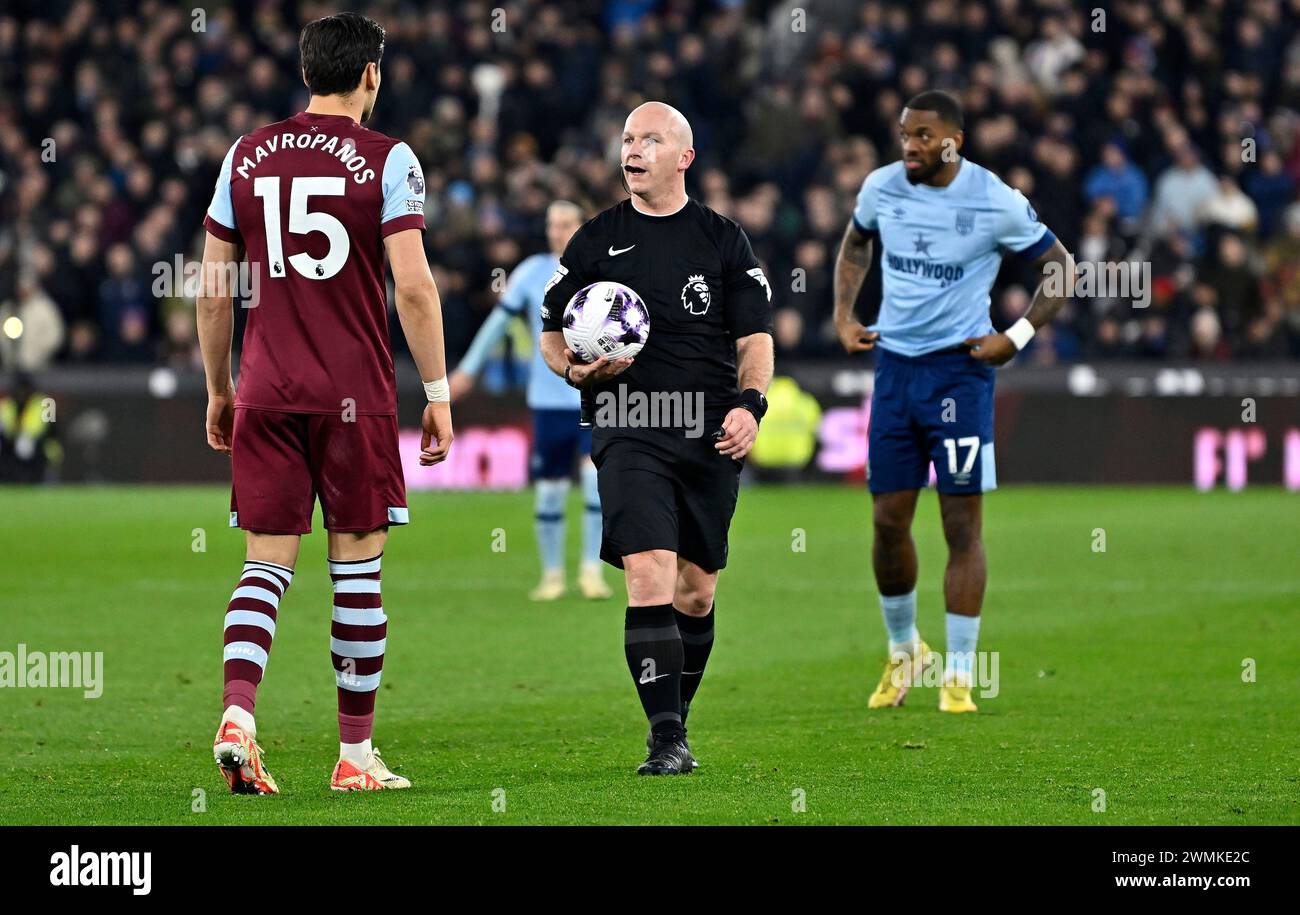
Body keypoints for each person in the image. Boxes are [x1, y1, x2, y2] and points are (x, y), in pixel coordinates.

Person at [196, 12, 453, 794]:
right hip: (354, 394)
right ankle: (354, 755)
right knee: (357, 573)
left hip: (268, 390)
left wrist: (219, 387)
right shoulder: (388, 158)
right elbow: (411, 284)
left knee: (264, 564)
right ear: (371, 73)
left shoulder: (245, 154)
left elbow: (213, 289)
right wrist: (438, 392)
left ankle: (239, 711)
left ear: (307, 71)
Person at [539, 102, 774, 775]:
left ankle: (676, 718)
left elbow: (754, 340)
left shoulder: (724, 240)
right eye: (626, 139)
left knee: (696, 592)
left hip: (707, 435)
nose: (632, 150)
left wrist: (750, 405)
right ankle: (665, 736)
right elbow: (553, 334)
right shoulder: (592, 241)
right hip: (627, 426)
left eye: (650, 139)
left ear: (684, 158)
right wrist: (575, 369)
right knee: (649, 572)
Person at [832, 90, 1072, 713]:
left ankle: (961, 672)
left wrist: (1015, 337)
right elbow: (857, 244)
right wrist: (842, 314)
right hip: (894, 372)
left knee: (960, 525)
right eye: (904, 133)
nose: (908, 145)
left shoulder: (992, 199)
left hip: (959, 378)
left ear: (952, 142)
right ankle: (904, 649)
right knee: (887, 522)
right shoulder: (883, 188)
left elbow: (1061, 266)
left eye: (921, 135)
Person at [449, 200, 611, 601]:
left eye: (567, 223)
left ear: (581, 226)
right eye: (553, 224)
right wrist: (469, 370)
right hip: (547, 399)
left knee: (595, 485)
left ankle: (592, 571)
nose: (559, 231)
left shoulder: (603, 272)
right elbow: (497, 324)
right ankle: (553, 574)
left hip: (594, 397)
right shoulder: (530, 273)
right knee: (551, 489)